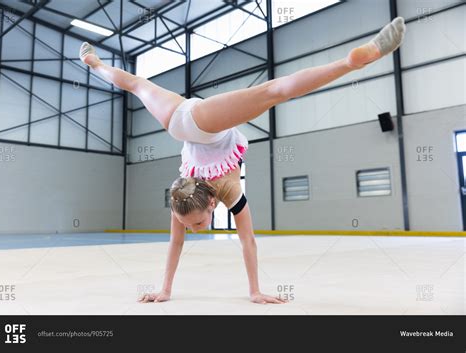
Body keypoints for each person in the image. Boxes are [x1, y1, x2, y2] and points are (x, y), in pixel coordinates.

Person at [80, 17, 406, 304]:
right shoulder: (182, 197)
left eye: (193, 224)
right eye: (188, 225)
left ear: (211, 206)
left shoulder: (229, 193)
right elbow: (190, 243)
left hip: (199, 123)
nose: (190, 230)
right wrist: (166, 290)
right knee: (137, 85)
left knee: (273, 92)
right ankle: (95, 64)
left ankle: (350, 63)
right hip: (175, 121)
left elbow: (246, 241)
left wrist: (255, 290)